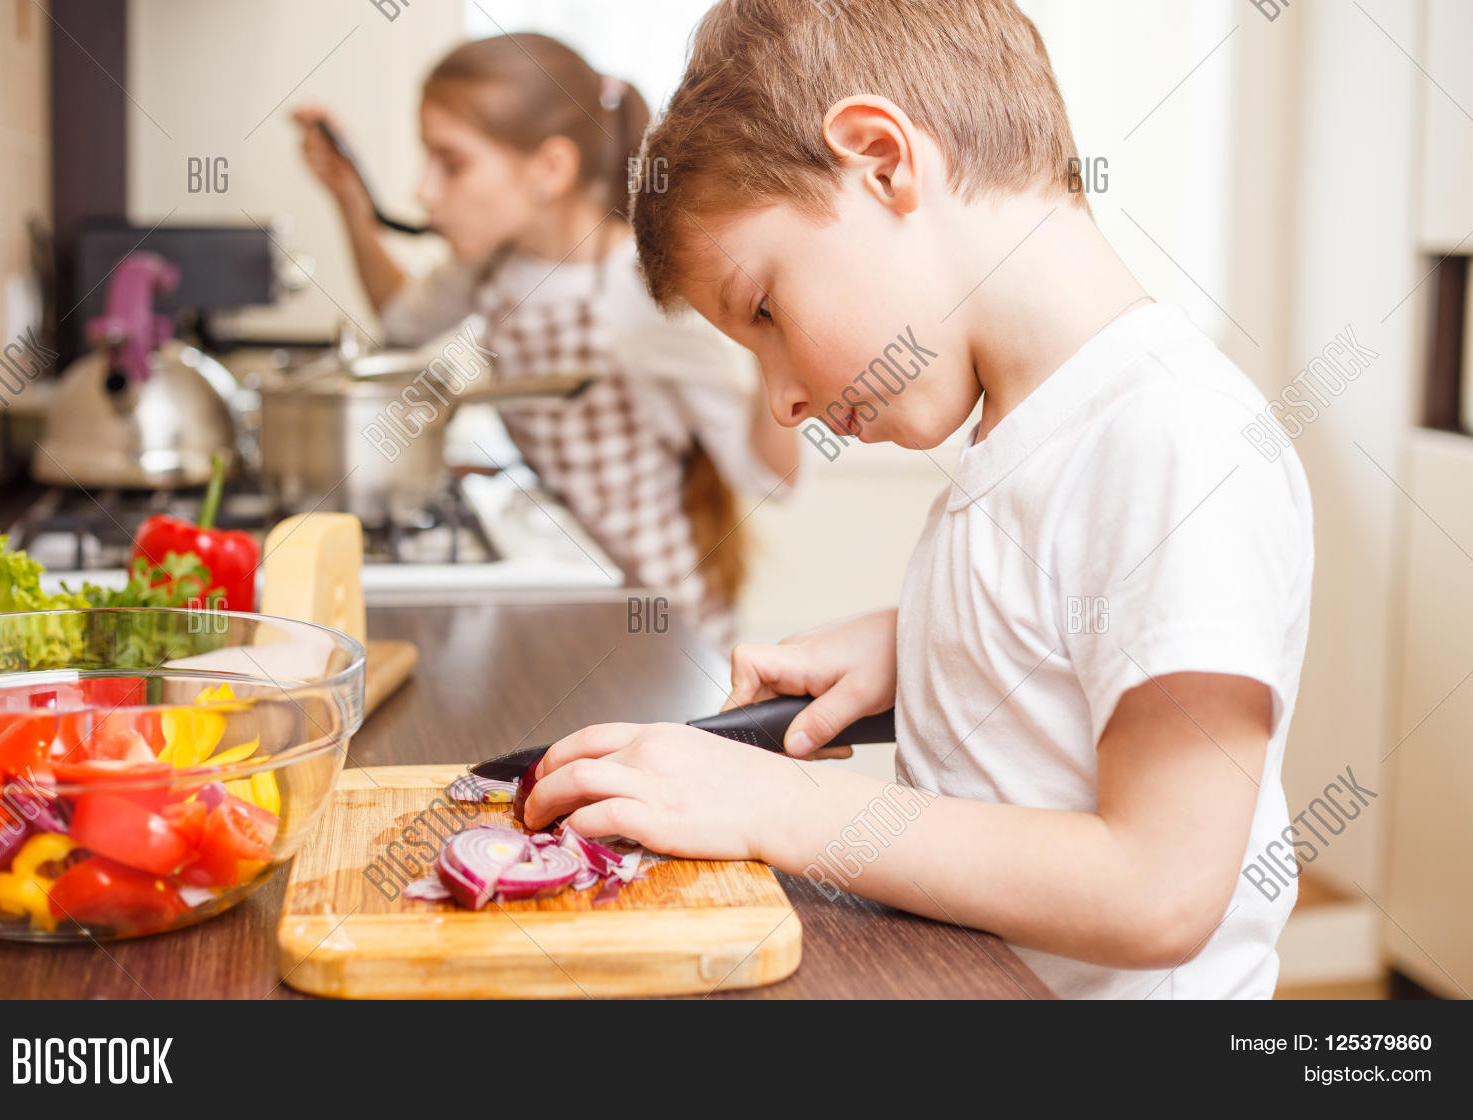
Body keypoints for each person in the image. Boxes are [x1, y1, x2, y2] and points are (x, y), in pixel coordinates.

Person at [519, 0, 1314, 1000]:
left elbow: (1157, 889)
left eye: (763, 308)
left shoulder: (1175, 436)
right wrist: (928, 642)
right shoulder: (1034, 432)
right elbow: (1085, 640)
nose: (783, 398)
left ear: (882, 161)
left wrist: (785, 805)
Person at [293, 34, 798, 648]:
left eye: (450, 163)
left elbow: (771, 478)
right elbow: (402, 320)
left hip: (660, 624)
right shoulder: (493, 267)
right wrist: (349, 200)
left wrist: (782, 337)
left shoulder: (635, 292)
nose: (424, 192)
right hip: (571, 601)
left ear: (550, 170)